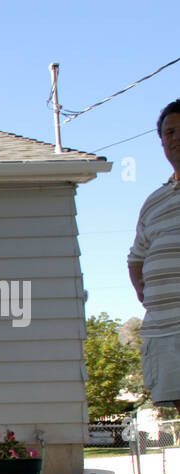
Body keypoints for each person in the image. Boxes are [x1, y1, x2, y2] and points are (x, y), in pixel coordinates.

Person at [127, 98, 180, 411]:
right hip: (163, 328)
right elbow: (136, 257)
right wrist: (145, 293)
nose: (175, 138)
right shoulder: (154, 201)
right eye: (169, 133)